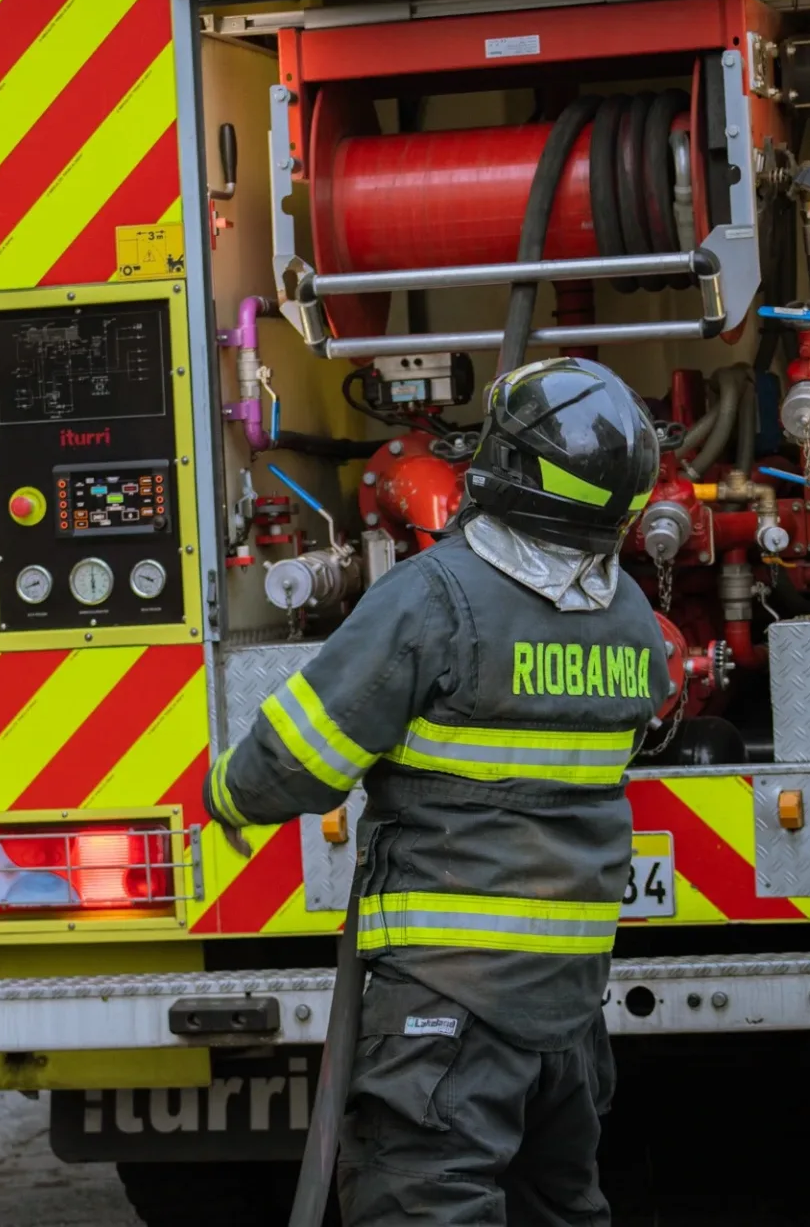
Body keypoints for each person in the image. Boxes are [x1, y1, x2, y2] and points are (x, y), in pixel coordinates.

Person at [205, 357, 669, 1226]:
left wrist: (227, 796)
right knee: (557, 1207)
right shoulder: (633, 620)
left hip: (449, 1003)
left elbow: (297, 757)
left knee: (422, 1203)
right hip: (567, 1012)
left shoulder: (434, 600)